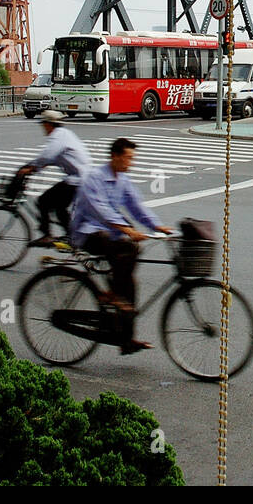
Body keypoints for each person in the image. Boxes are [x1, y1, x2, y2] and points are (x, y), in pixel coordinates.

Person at [68, 138, 173, 354]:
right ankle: (112, 295)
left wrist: (158, 226)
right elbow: (100, 211)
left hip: (109, 233)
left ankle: (126, 339)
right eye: (127, 158)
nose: (130, 163)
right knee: (119, 245)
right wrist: (128, 230)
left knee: (131, 282)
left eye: (132, 158)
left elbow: (136, 207)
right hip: (87, 232)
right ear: (114, 156)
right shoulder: (94, 178)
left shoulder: (123, 180)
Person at [16, 110, 91, 246]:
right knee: (59, 207)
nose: (43, 128)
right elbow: (51, 158)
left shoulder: (57, 136)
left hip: (78, 179)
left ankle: (47, 235)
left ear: (48, 124)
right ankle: (71, 235)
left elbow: (47, 155)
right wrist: (34, 167)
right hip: (80, 177)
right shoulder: (64, 134)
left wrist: (30, 168)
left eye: (43, 124)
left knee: (43, 201)